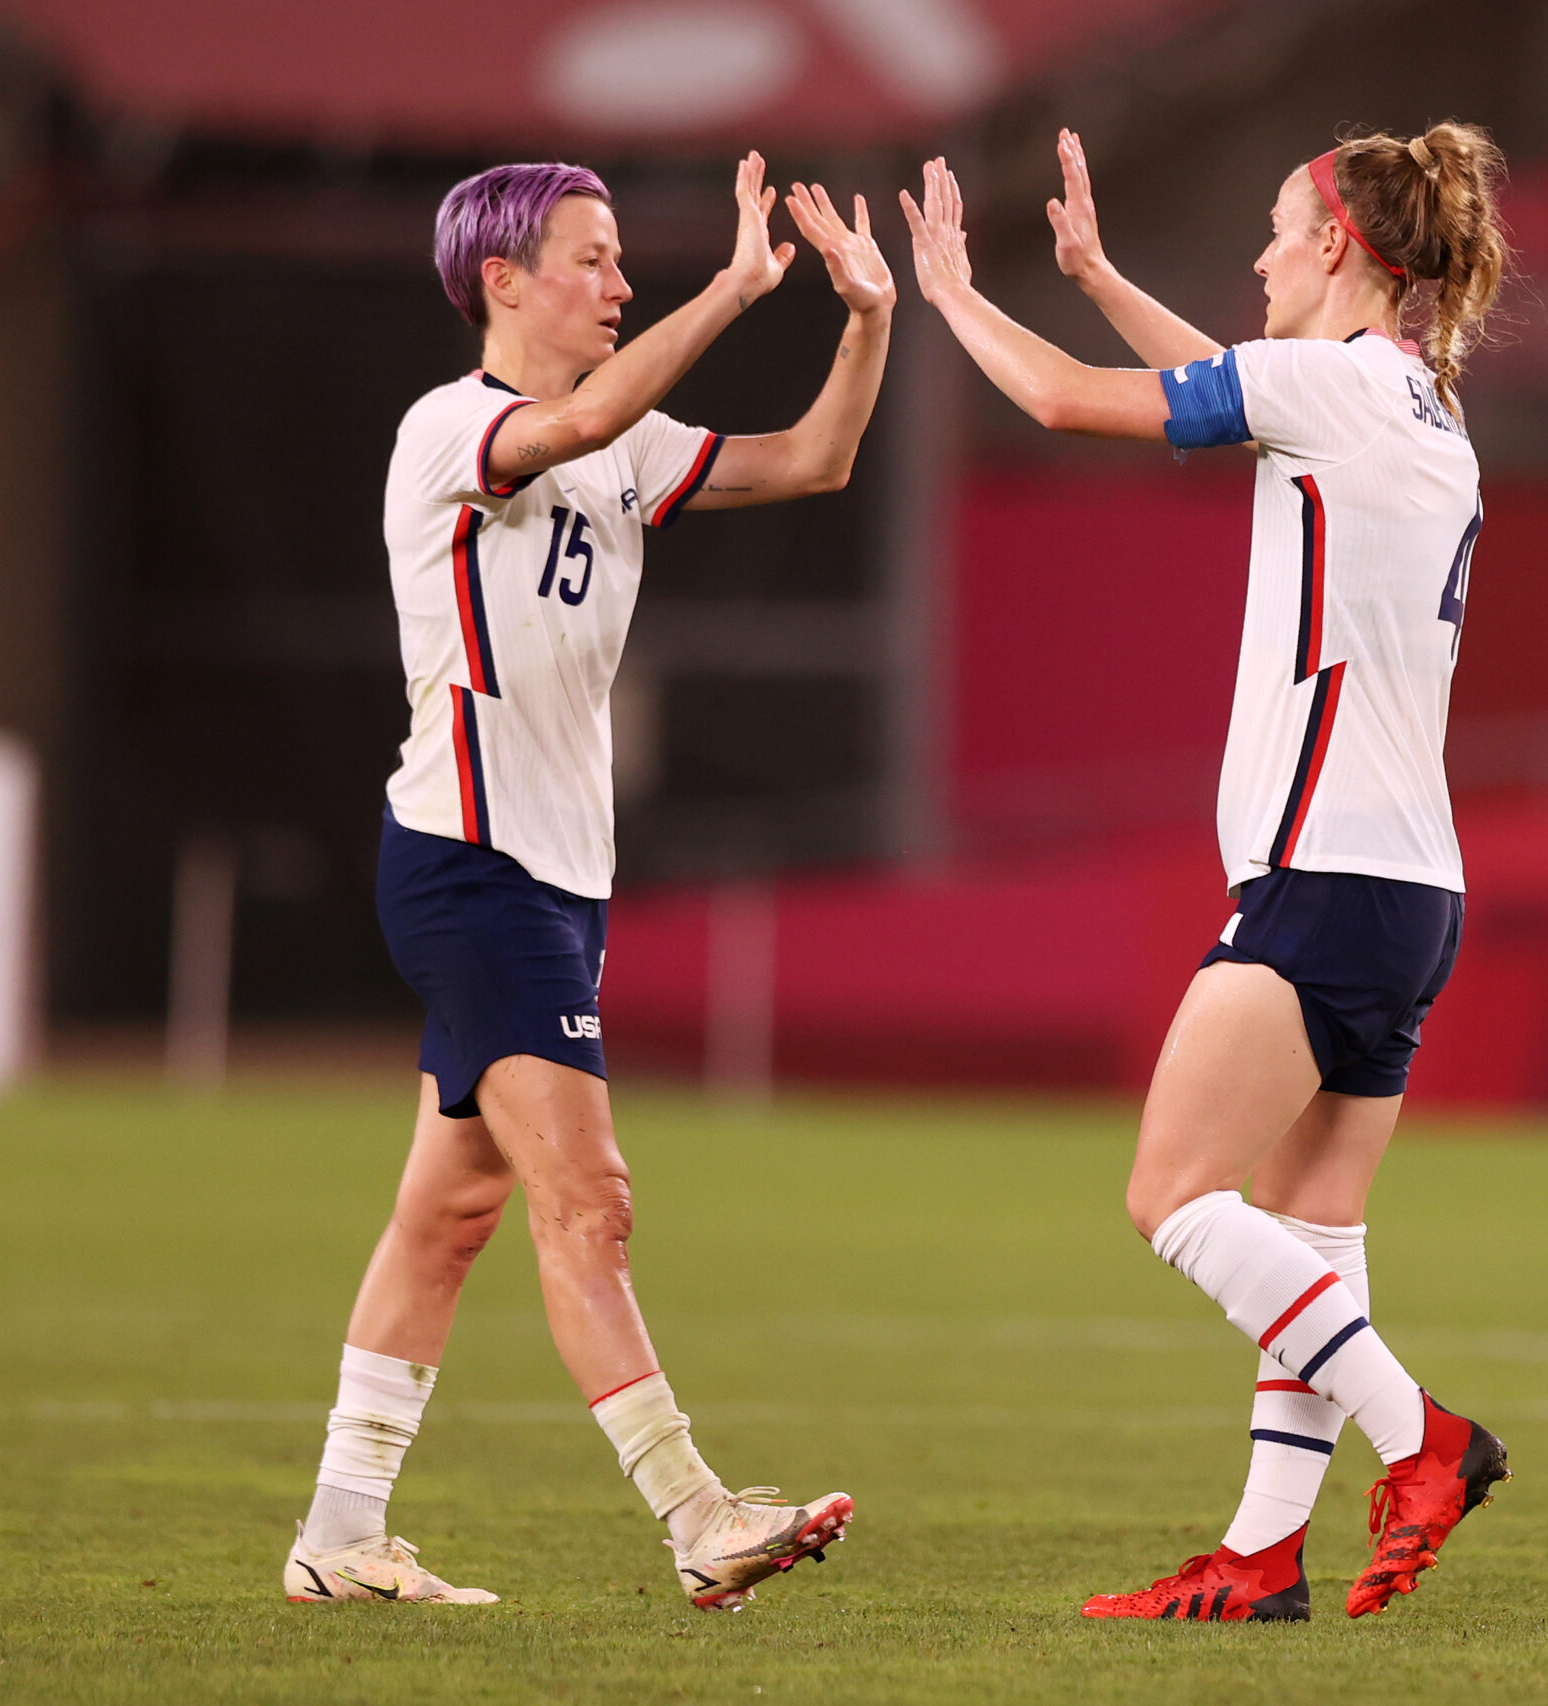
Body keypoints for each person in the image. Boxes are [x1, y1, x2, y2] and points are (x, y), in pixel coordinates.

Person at [897, 124, 1513, 1622]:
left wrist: (953, 295)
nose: (1254, 257)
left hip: (1318, 871)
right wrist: (1102, 276)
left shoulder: (1329, 389)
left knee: (1172, 1190)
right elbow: (1238, 395)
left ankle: (1421, 1433)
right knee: (1309, 1240)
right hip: (1413, 886)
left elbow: (1054, 399)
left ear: (1337, 250)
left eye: (1272, 228)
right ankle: (1261, 1553)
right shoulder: (1422, 405)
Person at [282, 152, 894, 1612]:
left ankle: (339, 1530)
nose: (621, 284)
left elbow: (813, 460)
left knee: (450, 1218)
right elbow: (591, 417)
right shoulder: (451, 429)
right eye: (595, 258)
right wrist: (742, 287)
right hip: (469, 864)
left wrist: (864, 319)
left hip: (558, 879)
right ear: (504, 281)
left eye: (627, 262)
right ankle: (694, 1511)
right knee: (592, 1198)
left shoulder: (616, 440)